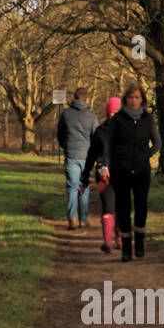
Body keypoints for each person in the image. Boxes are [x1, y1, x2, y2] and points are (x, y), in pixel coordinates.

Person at [87, 81, 160, 261]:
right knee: (124, 208)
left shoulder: (148, 119)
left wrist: (145, 155)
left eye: (137, 98)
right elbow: (108, 146)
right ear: (125, 100)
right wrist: (106, 165)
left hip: (142, 170)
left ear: (142, 99)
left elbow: (157, 143)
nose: (133, 101)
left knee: (141, 206)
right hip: (121, 170)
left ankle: (140, 243)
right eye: (130, 98)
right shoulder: (118, 119)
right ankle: (126, 248)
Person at [80, 95, 122, 254]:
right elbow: (91, 155)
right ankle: (107, 242)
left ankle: (118, 238)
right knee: (108, 206)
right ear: (107, 113)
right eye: (112, 112)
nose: (114, 115)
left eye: (117, 111)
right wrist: (85, 175)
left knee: (121, 206)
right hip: (104, 173)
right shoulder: (100, 132)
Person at [56, 88, 97, 230]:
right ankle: (83, 219)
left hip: (71, 154)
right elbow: (96, 137)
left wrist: (65, 146)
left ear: (74, 98)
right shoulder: (91, 116)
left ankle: (72, 217)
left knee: (72, 186)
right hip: (87, 156)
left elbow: (60, 133)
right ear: (87, 99)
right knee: (84, 187)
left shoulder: (66, 114)